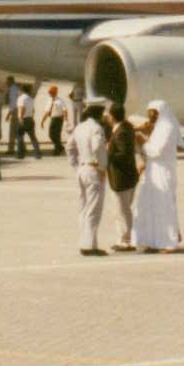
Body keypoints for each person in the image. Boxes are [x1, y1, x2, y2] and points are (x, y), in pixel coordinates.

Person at [133, 100, 183, 252]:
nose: (150, 116)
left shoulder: (167, 127)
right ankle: (151, 241)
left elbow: (156, 151)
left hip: (163, 171)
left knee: (163, 206)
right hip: (152, 171)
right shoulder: (158, 128)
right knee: (148, 205)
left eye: (153, 112)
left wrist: (143, 141)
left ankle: (168, 242)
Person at [70, 100, 109, 255]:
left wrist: (75, 165)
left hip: (82, 168)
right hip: (93, 169)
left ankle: (84, 241)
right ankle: (89, 245)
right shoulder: (96, 128)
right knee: (94, 209)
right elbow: (98, 146)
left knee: (83, 208)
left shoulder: (79, 127)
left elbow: (69, 147)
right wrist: (101, 167)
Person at [105, 104, 139, 251]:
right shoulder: (126, 128)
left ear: (112, 116)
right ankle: (123, 239)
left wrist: (107, 155)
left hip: (122, 176)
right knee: (122, 209)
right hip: (126, 176)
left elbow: (123, 154)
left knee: (123, 210)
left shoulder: (121, 132)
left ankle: (127, 240)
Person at [15, 80, 40, 159]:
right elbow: (33, 110)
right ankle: (37, 153)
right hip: (30, 118)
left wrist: (20, 118)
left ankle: (20, 154)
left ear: (22, 90)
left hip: (23, 119)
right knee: (33, 137)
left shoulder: (21, 99)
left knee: (19, 137)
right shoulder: (31, 99)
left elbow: (21, 109)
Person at [45, 85, 68, 155]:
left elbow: (64, 110)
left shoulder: (60, 101)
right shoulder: (49, 100)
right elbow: (47, 111)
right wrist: (43, 120)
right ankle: (60, 147)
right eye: (50, 93)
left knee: (57, 135)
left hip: (59, 119)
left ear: (55, 93)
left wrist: (65, 119)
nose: (50, 94)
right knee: (51, 134)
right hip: (53, 118)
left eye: (52, 93)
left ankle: (57, 151)